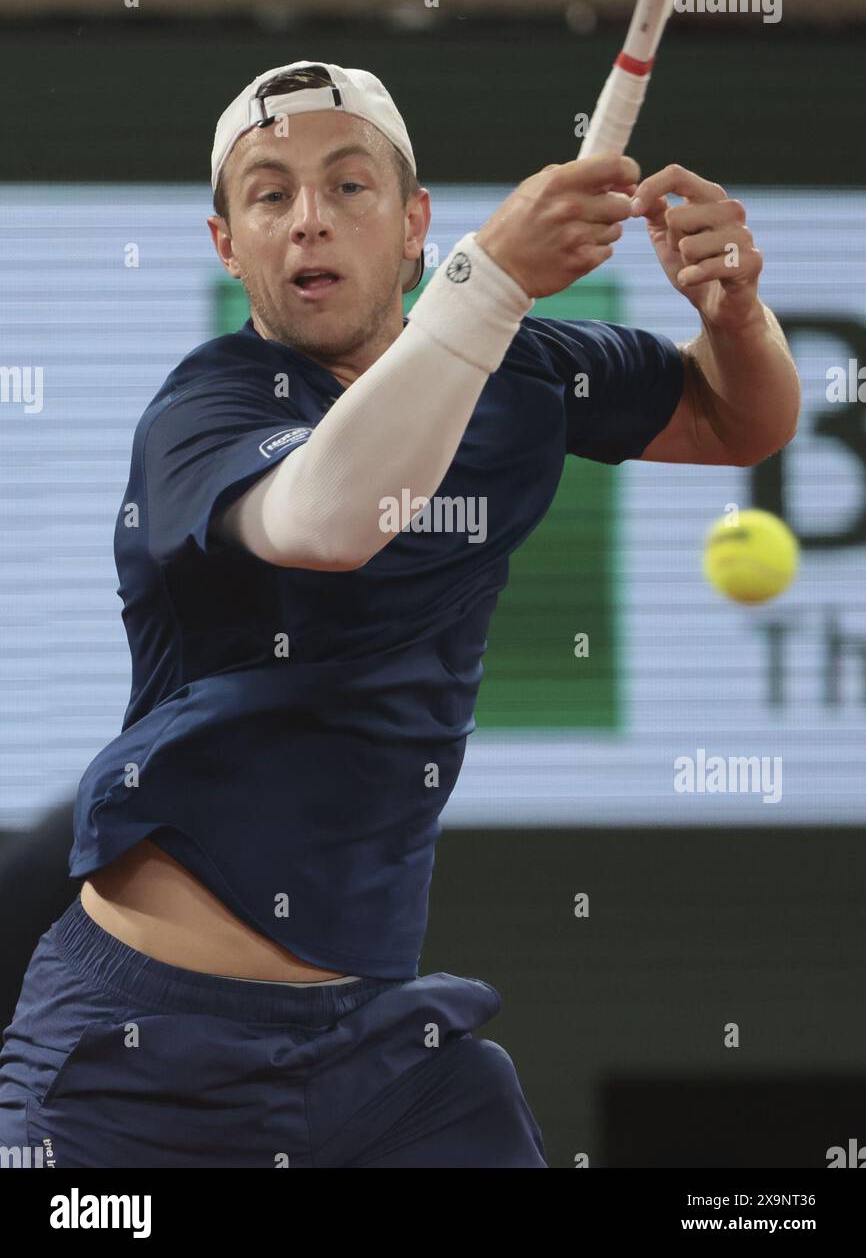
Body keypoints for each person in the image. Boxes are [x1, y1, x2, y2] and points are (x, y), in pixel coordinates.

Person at [0, 59, 800, 1168]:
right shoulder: (206, 409)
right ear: (228, 246)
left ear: (413, 220)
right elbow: (335, 515)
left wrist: (733, 307)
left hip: (381, 1065)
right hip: (141, 1061)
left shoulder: (524, 373)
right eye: (269, 195)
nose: (308, 222)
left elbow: (734, 420)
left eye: (348, 186)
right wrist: (490, 281)